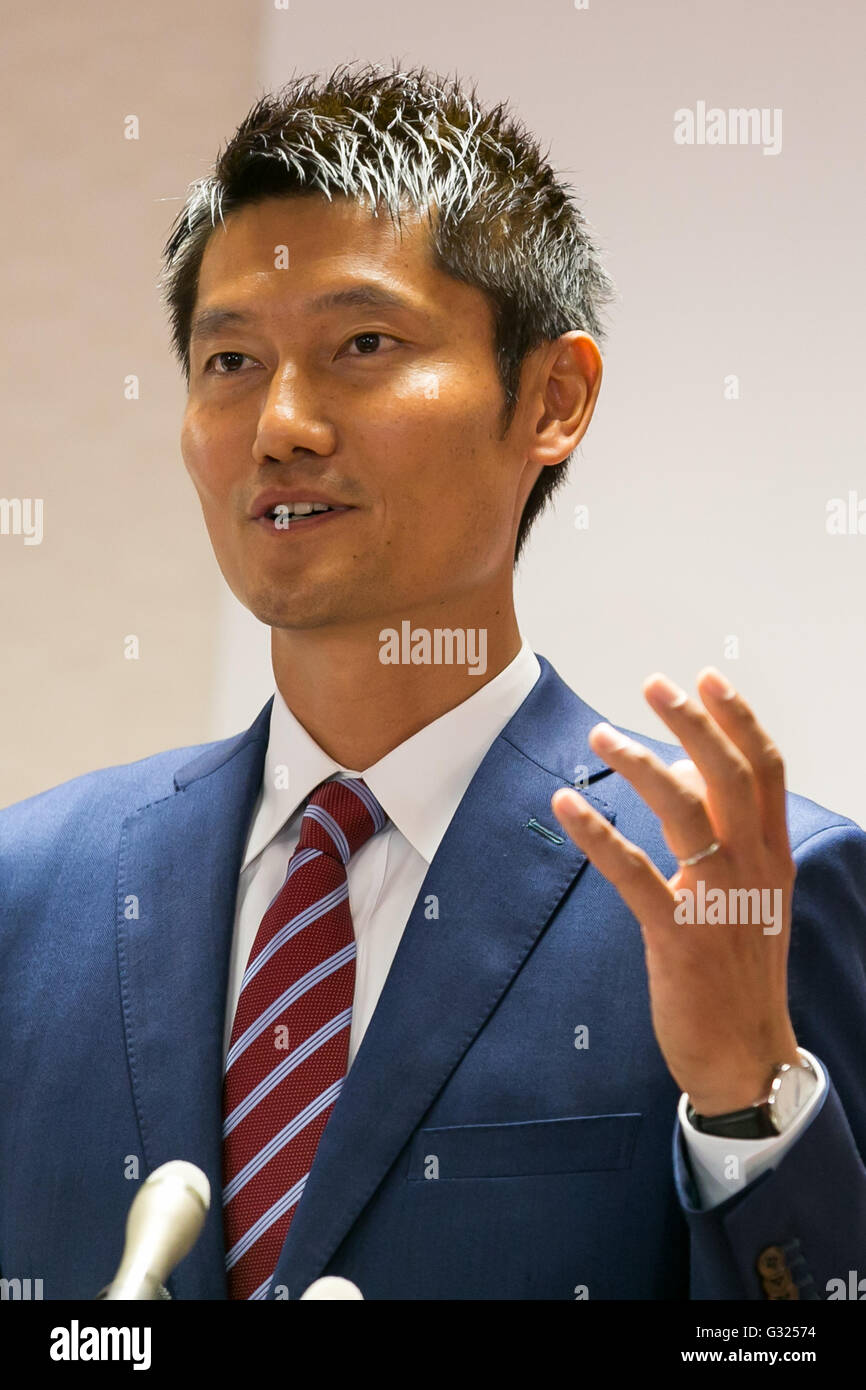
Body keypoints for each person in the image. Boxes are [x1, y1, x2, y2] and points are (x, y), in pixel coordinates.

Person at [2, 60, 865, 1302]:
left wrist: (746, 1105)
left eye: (362, 343)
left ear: (551, 399)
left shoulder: (727, 893)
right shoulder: (29, 904)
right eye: (229, 359)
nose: (279, 425)